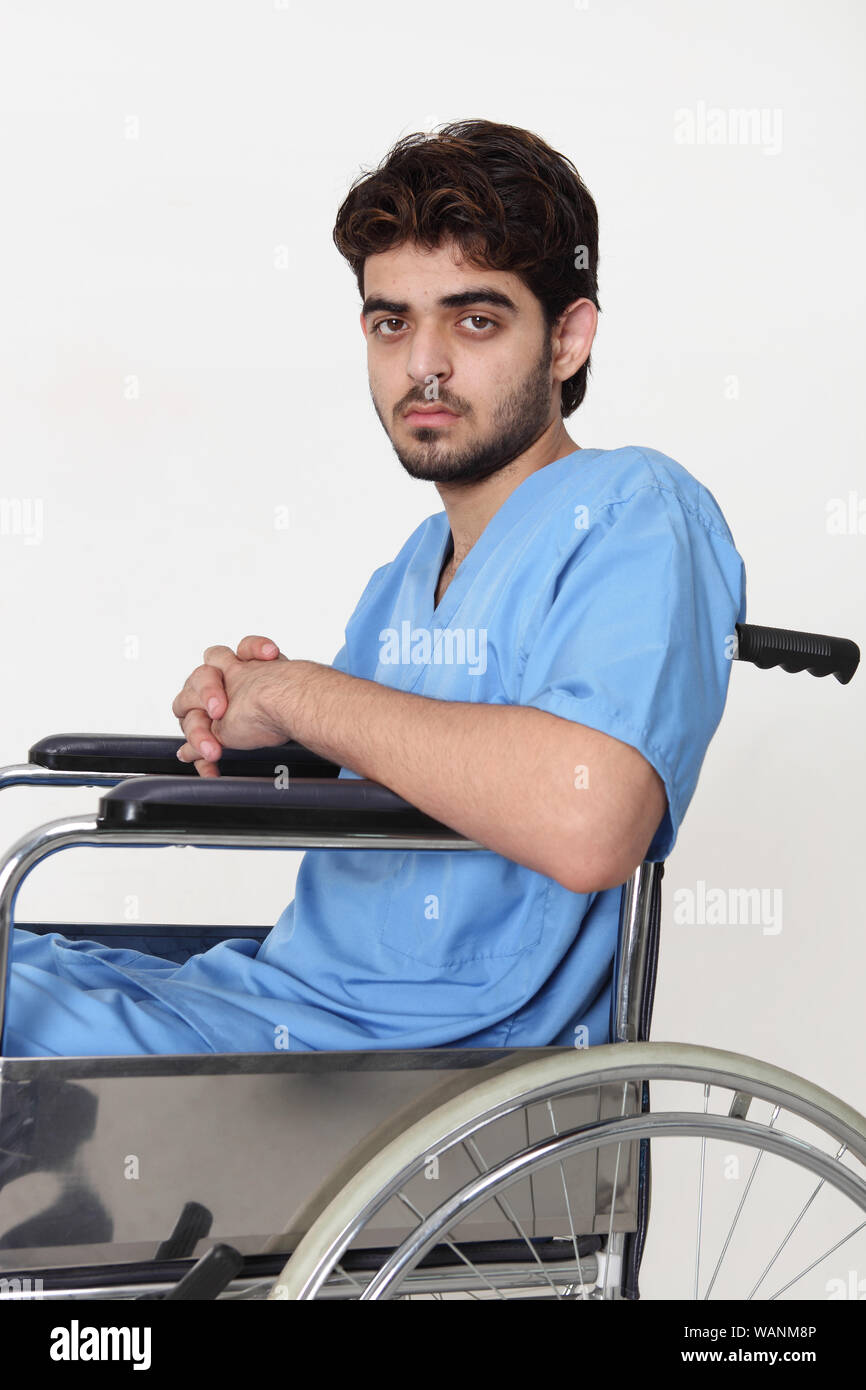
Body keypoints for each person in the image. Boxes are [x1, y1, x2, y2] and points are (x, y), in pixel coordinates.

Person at [4, 120, 746, 1056]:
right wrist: (256, 727)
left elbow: (591, 819)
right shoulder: (409, 570)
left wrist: (309, 695)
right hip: (278, 991)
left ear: (567, 338)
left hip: (404, 1053)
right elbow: (380, 762)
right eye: (392, 321)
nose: (422, 363)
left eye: (474, 320)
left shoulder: (638, 512)